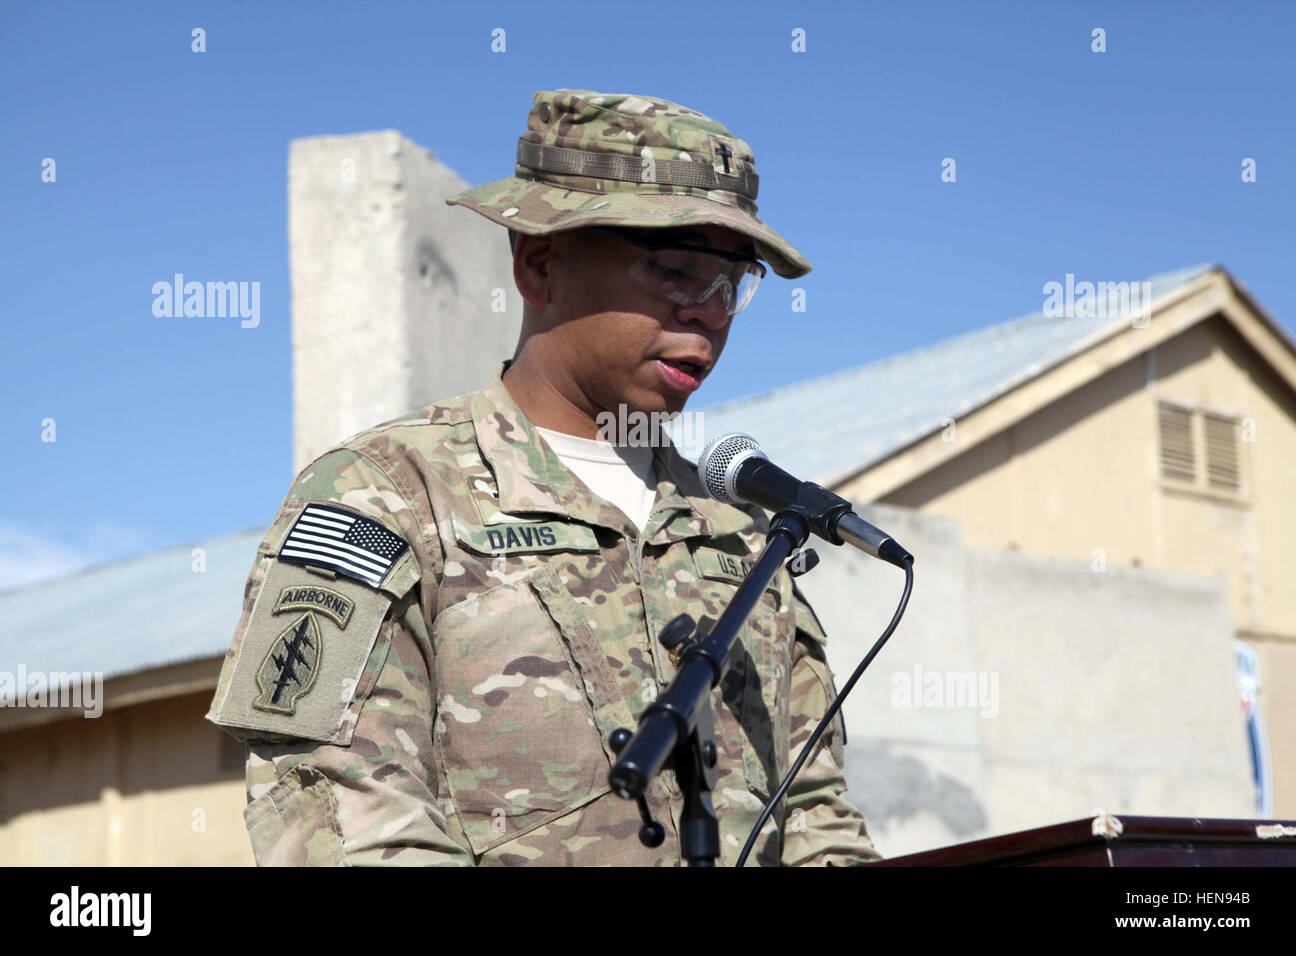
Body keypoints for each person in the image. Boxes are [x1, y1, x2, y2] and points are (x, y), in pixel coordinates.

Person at [206, 88, 882, 866]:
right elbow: (333, 806)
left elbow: (816, 813)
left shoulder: (741, 533)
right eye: (676, 269)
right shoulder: (387, 494)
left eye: (734, 283)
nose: (710, 311)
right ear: (538, 262)